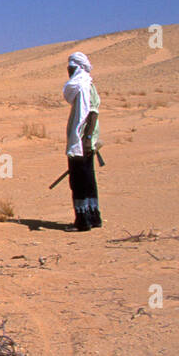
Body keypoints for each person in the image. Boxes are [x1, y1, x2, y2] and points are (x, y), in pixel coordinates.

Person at [62, 51, 101, 231]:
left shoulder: (83, 85)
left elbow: (88, 114)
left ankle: (83, 221)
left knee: (78, 181)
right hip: (87, 141)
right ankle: (94, 217)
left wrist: (81, 142)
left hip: (81, 142)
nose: (69, 72)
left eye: (71, 68)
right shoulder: (87, 84)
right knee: (88, 178)